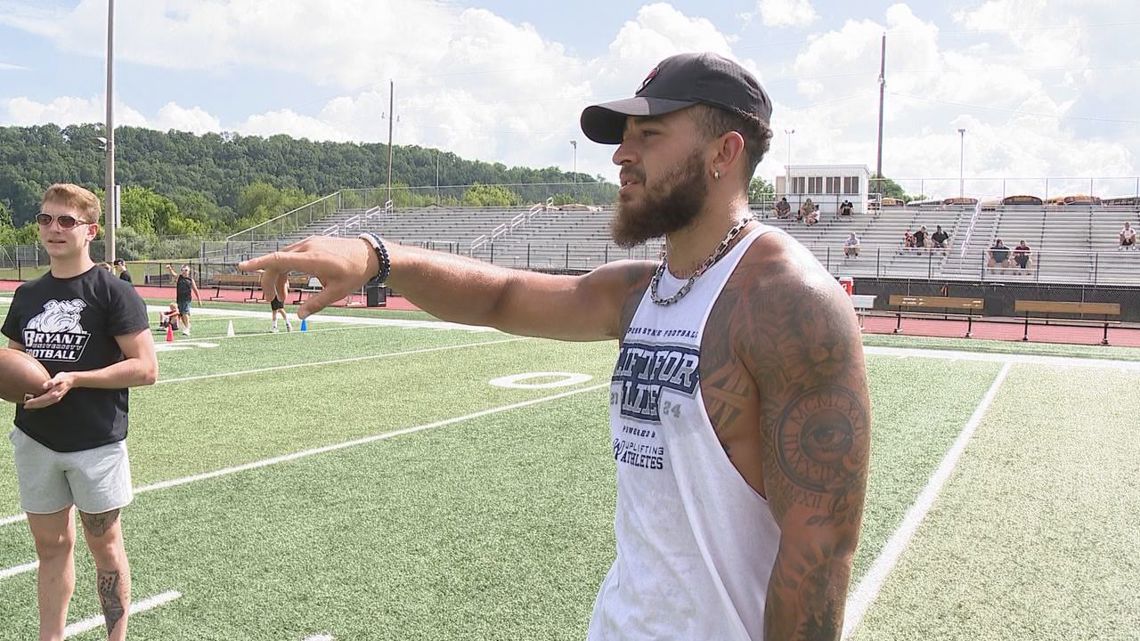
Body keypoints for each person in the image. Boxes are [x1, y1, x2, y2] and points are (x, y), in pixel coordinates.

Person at [242, 52, 870, 641]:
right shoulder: (649, 289)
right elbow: (503, 296)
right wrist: (380, 256)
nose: (622, 155)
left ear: (723, 152)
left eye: (649, 135)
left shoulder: (788, 300)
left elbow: (819, 551)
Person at [0, 183, 157, 641]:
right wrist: (24, 395)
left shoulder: (113, 292)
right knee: (51, 548)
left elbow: (146, 368)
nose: (54, 228)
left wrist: (76, 379)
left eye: (66, 220)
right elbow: (14, 363)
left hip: (95, 441)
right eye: (45, 219)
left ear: (90, 230)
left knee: (105, 547)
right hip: (36, 439)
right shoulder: (28, 295)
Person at [165, 263, 201, 335]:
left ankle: (187, 328)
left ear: (189, 271)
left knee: (185, 313)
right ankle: (187, 326)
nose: (184, 272)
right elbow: (173, 274)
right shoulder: (179, 277)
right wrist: (170, 269)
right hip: (179, 299)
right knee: (181, 314)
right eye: (183, 270)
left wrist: (199, 299)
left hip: (187, 299)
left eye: (186, 270)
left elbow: (195, 290)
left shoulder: (191, 280)